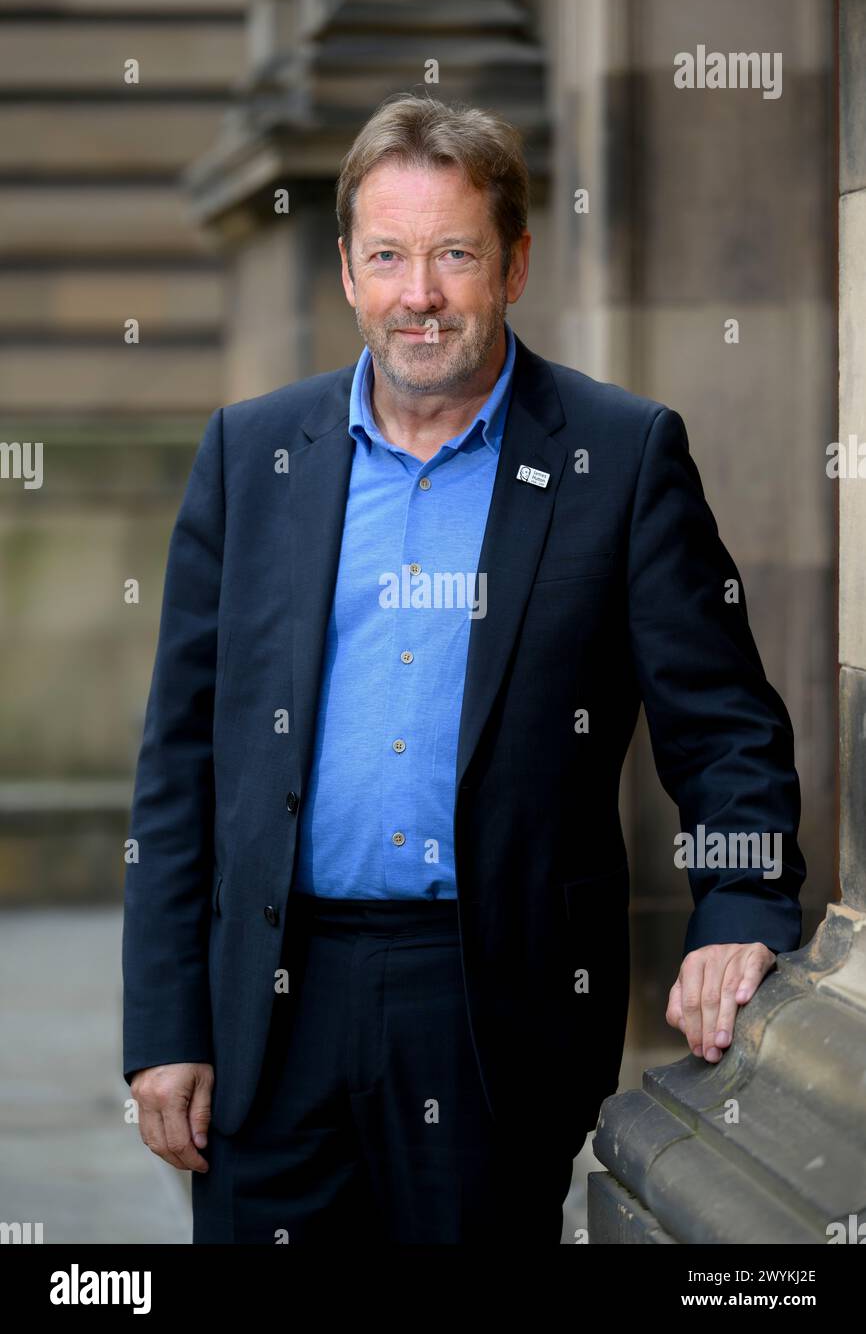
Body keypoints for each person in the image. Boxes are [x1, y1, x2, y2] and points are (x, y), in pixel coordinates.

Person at [122, 93, 806, 1244]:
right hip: (271, 1009)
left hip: (488, 1009)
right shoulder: (250, 455)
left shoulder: (619, 456)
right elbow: (179, 761)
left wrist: (737, 907)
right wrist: (163, 1025)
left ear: (513, 264)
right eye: (387, 255)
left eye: (453, 255)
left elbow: (724, 726)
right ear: (346, 269)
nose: (418, 294)